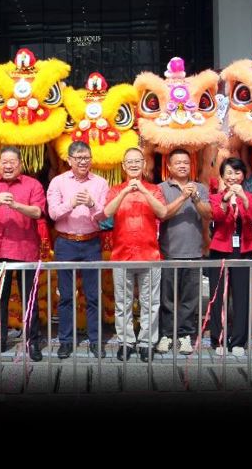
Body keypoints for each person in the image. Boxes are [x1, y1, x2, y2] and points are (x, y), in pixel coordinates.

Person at [0, 146, 46, 361]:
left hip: (25, 248)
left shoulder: (32, 184)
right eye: (3, 162)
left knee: (30, 299)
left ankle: (32, 341)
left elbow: (37, 212)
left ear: (20, 164)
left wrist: (16, 205)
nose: (7, 166)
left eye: (12, 162)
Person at [103, 147, 167, 362]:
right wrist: (124, 192)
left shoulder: (154, 189)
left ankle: (147, 342)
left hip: (149, 254)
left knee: (151, 302)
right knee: (123, 302)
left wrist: (143, 190)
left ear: (143, 164)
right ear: (123, 165)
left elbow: (162, 212)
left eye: (137, 161)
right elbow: (107, 213)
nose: (133, 165)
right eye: (129, 161)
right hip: (121, 254)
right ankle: (126, 341)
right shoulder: (115, 190)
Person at [47, 141, 109, 359]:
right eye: (79, 158)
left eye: (87, 157)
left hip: (92, 242)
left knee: (93, 295)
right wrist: (71, 203)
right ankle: (65, 341)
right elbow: (54, 213)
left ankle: (95, 340)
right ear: (70, 160)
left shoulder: (101, 183)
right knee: (65, 296)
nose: (83, 162)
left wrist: (92, 204)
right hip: (66, 243)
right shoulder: (58, 182)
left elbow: (104, 217)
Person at [157, 149, 211, 356]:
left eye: (186, 163)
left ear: (191, 166)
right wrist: (182, 197)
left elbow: (209, 214)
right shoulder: (161, 188)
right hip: (169, 253)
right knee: (167, 299)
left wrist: (195, 198)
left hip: (194, 253)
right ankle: (166, 335)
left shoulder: (200, 188)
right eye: (178, 163)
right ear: (169, 167)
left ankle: (185, 335)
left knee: (190, 299)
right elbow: (162, 215)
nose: (182, 166)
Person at [207, 157, 252, 357]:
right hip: (220, 249)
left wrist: (243, 199)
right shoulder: (214, 197)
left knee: (241, 297)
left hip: (243, 249)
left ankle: (239, 341)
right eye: (228, 173)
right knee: (218, 296)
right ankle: (218, 339)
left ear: (243, 176)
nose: (233, 176)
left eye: (237, 172)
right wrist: (225, 200)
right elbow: (217, 217)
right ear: (222, 176)